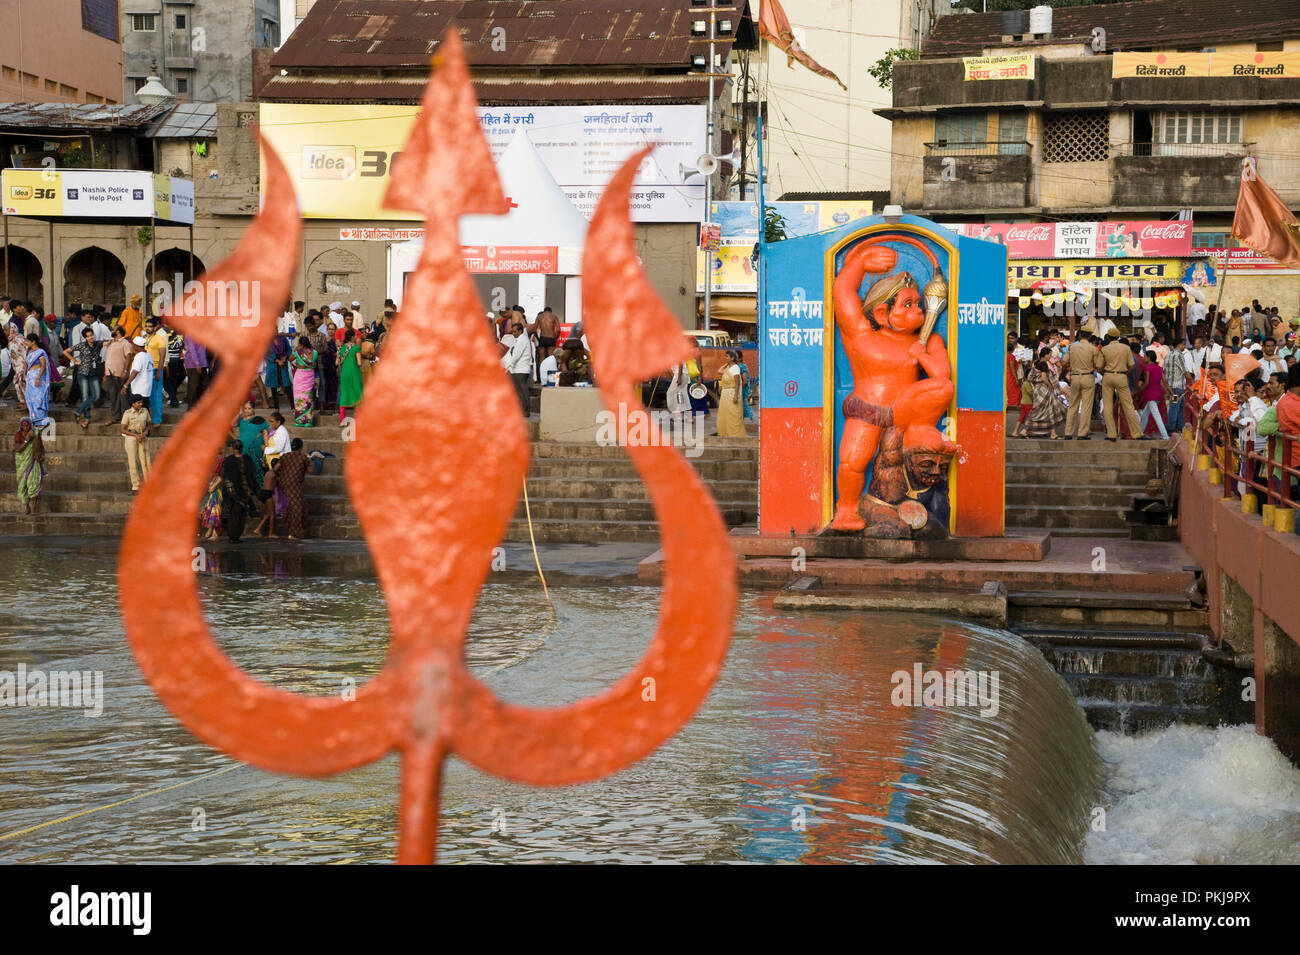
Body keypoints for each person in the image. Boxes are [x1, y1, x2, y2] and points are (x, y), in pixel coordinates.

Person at [1100, 333, 1142, 442]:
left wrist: (1106, 373)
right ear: (1118, 337)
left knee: (1107, 406)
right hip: (1122, 376)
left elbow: (1098, 366)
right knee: (1128, 405)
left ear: (1108, 337)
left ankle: (1111, 434)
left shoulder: (1105, 349)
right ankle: (1136, 433)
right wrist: (1125, 374)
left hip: (1108, 376)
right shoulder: (1126, 348)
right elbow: (1132, 365)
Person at [63, 326, 103, 430]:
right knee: (85, 396)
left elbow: (109, 342)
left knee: (96, 395)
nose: (91, 337)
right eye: (88, 336)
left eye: (91, 335)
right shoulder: (81, 345)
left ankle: (78, 411)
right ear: (85, 338)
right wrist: (75, 361)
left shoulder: (98, 344)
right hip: (82, 373)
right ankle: (87, 418)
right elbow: (65, 351)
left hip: (93, 373)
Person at [218, 438, 257, 543]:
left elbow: (223, 474)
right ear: (242, 448)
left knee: (233, 514)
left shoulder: (228, 460)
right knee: (241, 515)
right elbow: (252, 475)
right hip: (244, 491)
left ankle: (233, 536)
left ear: (232, 448)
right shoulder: (247, 460)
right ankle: (236, 536)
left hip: (231, 491)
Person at [1064, 332, 1101, 439]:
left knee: (1072, 405)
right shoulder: (1093, 349)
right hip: (1088, 377)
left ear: (1079, 336)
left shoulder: (1072, 348)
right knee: (1086, 407)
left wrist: (1073, 366)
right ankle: (1082, 433)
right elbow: (1098, 366)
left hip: (1075, 377)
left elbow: (1063, 362)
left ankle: (1068, 433)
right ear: (1089, 337)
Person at [277, 437, 311, 541]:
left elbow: (276, 468)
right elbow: (310, 470)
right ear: (301, 447)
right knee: (296, 509)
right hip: (295, 486)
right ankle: (294, 533)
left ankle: (294, 532)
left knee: (294, 508)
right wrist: (309, 460)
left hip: (283, 485)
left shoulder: (284, 456)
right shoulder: (303, 457)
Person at [233, 400, 271, 488]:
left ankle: (259, 487)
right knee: (243, 467)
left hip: (254, 448)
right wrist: (239, 413)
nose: (246, 410)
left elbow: (265, 432)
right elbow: (232, 424)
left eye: (249, 408)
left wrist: (266, 446)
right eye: (245, 408)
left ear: (253, 409)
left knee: (255, 467)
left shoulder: (259, 420)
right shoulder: (241, 420)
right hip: (242, 447)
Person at [501, 318, 534, 415]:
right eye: (512, 331)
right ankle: (521, 410)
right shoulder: (518, 339)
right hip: (516, 369)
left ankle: (526, 411)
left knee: (523, 391)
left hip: (521, 369)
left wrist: (508, 366)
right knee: (519, 392)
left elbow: (516, 356)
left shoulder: (522, 340)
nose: (513, 333)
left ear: (520, 331)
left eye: (515, 331)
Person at [102, 326, 135, 424]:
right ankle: (115, 417)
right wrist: (105, 373)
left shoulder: (125, 343)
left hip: (120, 373)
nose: (112, 331)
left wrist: (125, 371)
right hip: (110, 372)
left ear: (119, 332)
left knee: (123, 396)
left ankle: (126, 418)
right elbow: (108, 358)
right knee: (113, 396)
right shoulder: (111, 342)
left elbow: (128, 357)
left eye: (114, 330)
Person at [1025, 359, 1065, 439]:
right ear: (1046, 355)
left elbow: (1030, 377)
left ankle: (1053, 433)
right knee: (1040, 412)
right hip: (1043, 390)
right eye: (1049, 354)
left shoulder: (1036, 363)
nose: (1050, 356)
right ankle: (1025, 430)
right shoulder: (1043, 363)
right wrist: (1050, 386)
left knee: (1045, 411)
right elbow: (1043, 377)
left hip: (1038, 390)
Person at [12, 417, 44, 514]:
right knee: (23, 486)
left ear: (30, 426)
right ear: (21, 426)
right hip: (22, 463)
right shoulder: (18, 435)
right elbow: (18, 449)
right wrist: (27, 439)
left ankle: (33, 509)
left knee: (33, 484)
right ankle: (27, 507)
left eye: (27, 426)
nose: (25, 428)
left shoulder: (36, 433)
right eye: (23, 426)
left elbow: (41, 447)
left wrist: (41, 455)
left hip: (34, 462)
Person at [120, 392, 151, 492]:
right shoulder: (127, 413)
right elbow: (122, 429)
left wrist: (145, 432)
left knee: (146, 461)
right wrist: (135, 435)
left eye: (141, 402)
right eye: (138, 403)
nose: (141, 404)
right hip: (131, 437)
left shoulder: (145, 411)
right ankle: (136, 486)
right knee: (132, 461)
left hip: (143, 437)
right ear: (133, 404)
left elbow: (149, 423)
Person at [1136, 349, 1170, 439]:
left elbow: (1146, 383)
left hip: (1151, 394)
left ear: (1149, 357)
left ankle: (1165, 436)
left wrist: (1139, 390)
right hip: (1158, 394)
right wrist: (1168, 391)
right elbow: (1164, 382)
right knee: (1145, 414)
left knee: (1156, 415)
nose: (1144, 358)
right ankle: (1141, 432)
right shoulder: (1159, 368)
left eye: (1145, 356)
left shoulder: (1147, 368)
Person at [715, 351, 747, 437]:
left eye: (727, 356)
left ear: (732, 358)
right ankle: (725, 433)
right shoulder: (728, 368)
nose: (725, 358)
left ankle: (735, 435)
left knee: (733, 416)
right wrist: (726, 364)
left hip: (732, 394)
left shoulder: (735, 368)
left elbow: (737, 383)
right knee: (725, 415)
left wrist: (736, 396)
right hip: (725, 395)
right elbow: (719, 371)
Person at [22, 333, 51, 427]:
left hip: (38, 377)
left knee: (39, 398)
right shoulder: (28, 351)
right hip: (30, 378)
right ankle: (34, 419)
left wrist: (38, 378)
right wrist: (24, 374)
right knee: (30, 398)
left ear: (33, 342)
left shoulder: (41, 352)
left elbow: (43, 366)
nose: (26, 343)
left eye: (27, 341)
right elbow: (26, 364)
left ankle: (41, 420)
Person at [290, 335, 318, 426]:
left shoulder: (298, 352)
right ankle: (308, 421)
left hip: (299, 376)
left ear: (301, 344)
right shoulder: (315, 352)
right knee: (308, 398)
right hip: (309, 376)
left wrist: (295, 352)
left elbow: (290, 359)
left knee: (298, 399)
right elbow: (312, 364)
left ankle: (299, 421)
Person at [337, 327, 363, 424]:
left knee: (344, 395)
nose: (356, 337)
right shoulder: (356, 348)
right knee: (358, 394)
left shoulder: (341, 348)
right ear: (352, 337)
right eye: (355, 336)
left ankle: (342, 421)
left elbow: (337, 362)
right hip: (354, 373)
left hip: (344, 374)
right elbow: (359, 363)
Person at [1163, 338, 1190, 432]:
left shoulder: (1168, 355)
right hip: (1177, 387)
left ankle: (1179, 427)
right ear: (1179, 345)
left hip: (1171, 387)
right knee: (1175, 407)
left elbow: (1164, 371)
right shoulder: (1179, 355)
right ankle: (1171, 428)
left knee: (1179, 406)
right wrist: (1193, 382)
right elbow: (1185, 372)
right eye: (1184, 344)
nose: (1185, 346)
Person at [144, 317, 167, 425]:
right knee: (151, 395)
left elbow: (162, 357)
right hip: (148, 370)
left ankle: (157, 420)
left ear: (155, 327)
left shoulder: (159, 339)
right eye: (146, 326)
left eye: (150, 326)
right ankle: (155, 417)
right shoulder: (148, 338)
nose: (148, 328)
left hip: (156, 369)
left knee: (156, 395)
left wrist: (158, 371)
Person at [535, 307, 559, 376]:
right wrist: (555, 338)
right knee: (551, 358)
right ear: (551, 311)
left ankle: (540, 377)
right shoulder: (554, 316)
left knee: (541, 358)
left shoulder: (539, 316)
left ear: (544, 311)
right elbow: (559, 330)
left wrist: (538, 338)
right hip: (551, 338)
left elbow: (534, 329)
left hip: (542, 338)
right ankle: (551, 377)